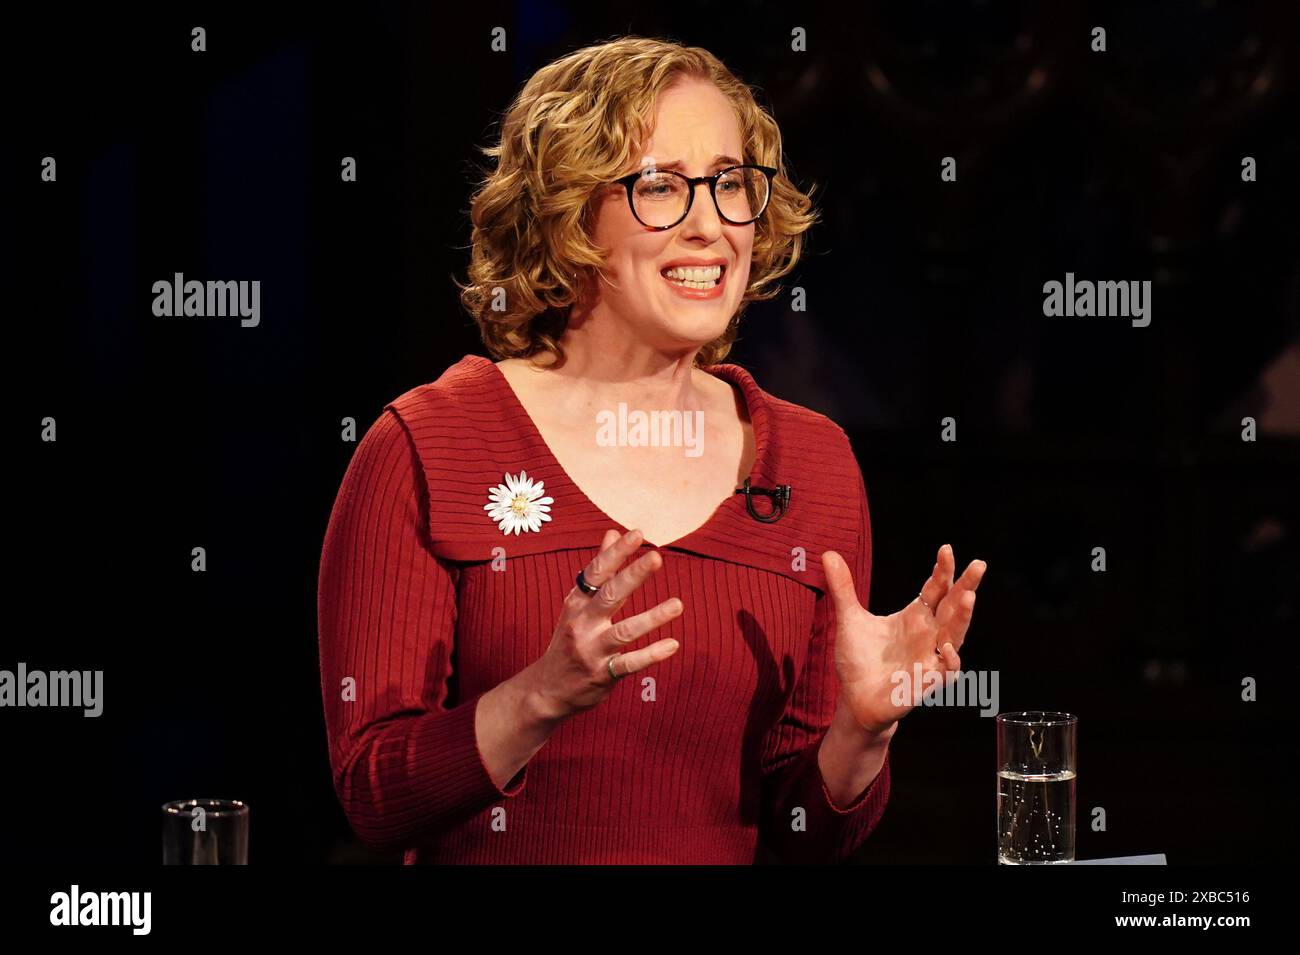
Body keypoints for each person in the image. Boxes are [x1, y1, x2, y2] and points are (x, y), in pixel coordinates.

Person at [317, 36, 987, 864]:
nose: (711, 226)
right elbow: (372, 793)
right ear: (566, 215)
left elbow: (806, 833)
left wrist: (863, 730)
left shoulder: (812, 466)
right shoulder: (426, 445)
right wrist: (540, 696)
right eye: (661, 187)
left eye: (731, 184)